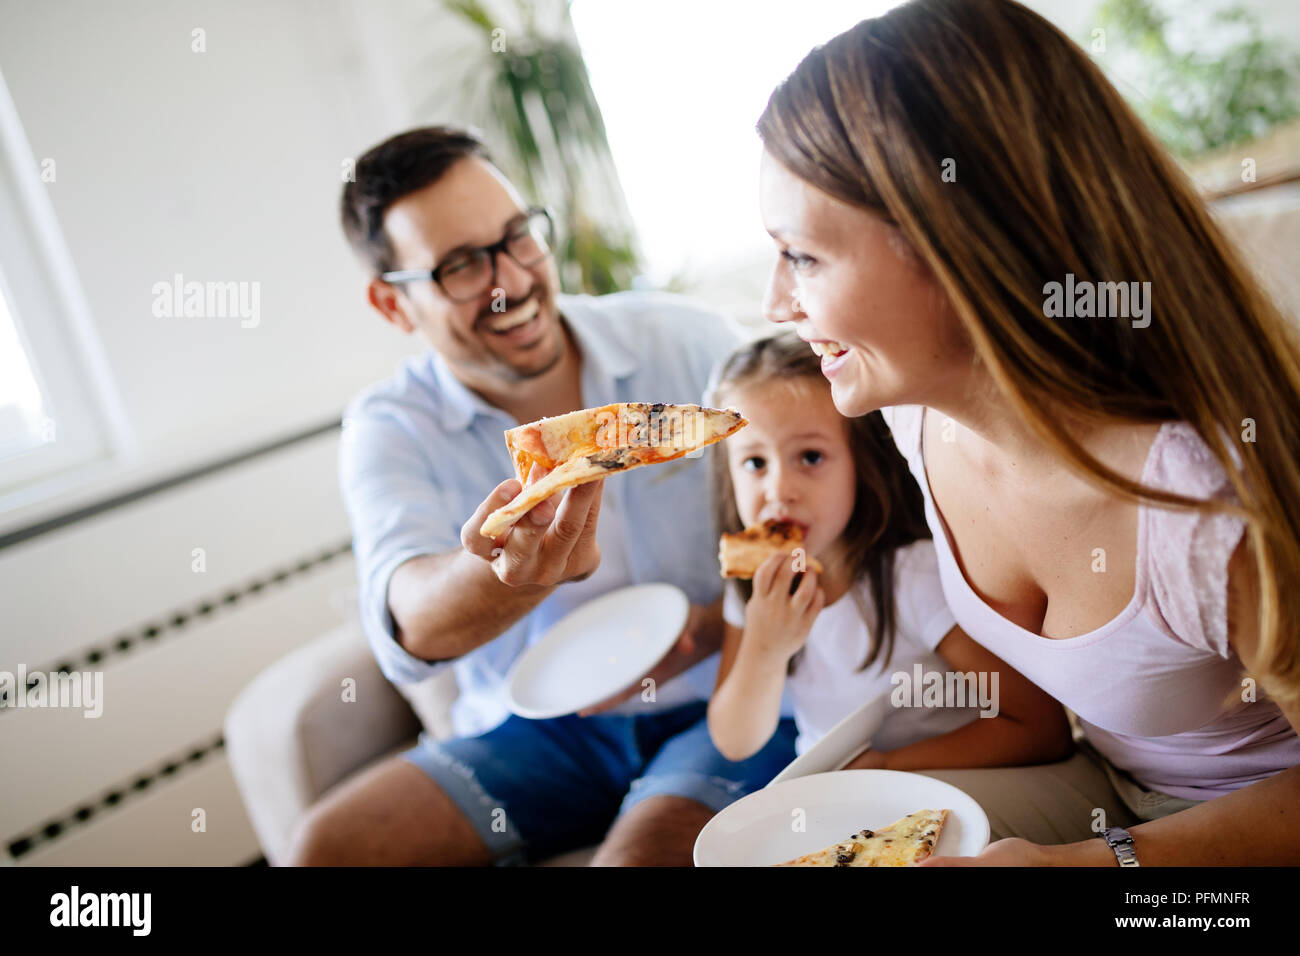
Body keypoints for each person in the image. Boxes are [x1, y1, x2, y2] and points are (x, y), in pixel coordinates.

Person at [755, 0, 1300, 864]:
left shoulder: (1207, 506)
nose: (776, 305)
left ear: (953, 245)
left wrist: (1099, 865)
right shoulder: (912, 420)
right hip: (1103, 789)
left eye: (803, 257)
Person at [285, 126, 797, 866]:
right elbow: (410, 621)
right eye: (461, 265)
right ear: (393, 306)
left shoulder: (681, 341)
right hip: (542, 734)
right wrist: (511, 572)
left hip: (724, 688)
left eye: (518, 236)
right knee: (325, 850)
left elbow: (816, 492)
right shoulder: (391, 427)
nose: (512, 282)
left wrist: (729, 623)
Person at [705, 332, 1073, 771]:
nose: (779, 490)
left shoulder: (914, 577)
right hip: (832, 801)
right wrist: (764, 649)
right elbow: (735, 742)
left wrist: (889, 764)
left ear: (861, 461)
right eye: (754, 463)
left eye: (810, 457)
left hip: (931, 790)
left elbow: (1039, 729)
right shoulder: (754, 588)